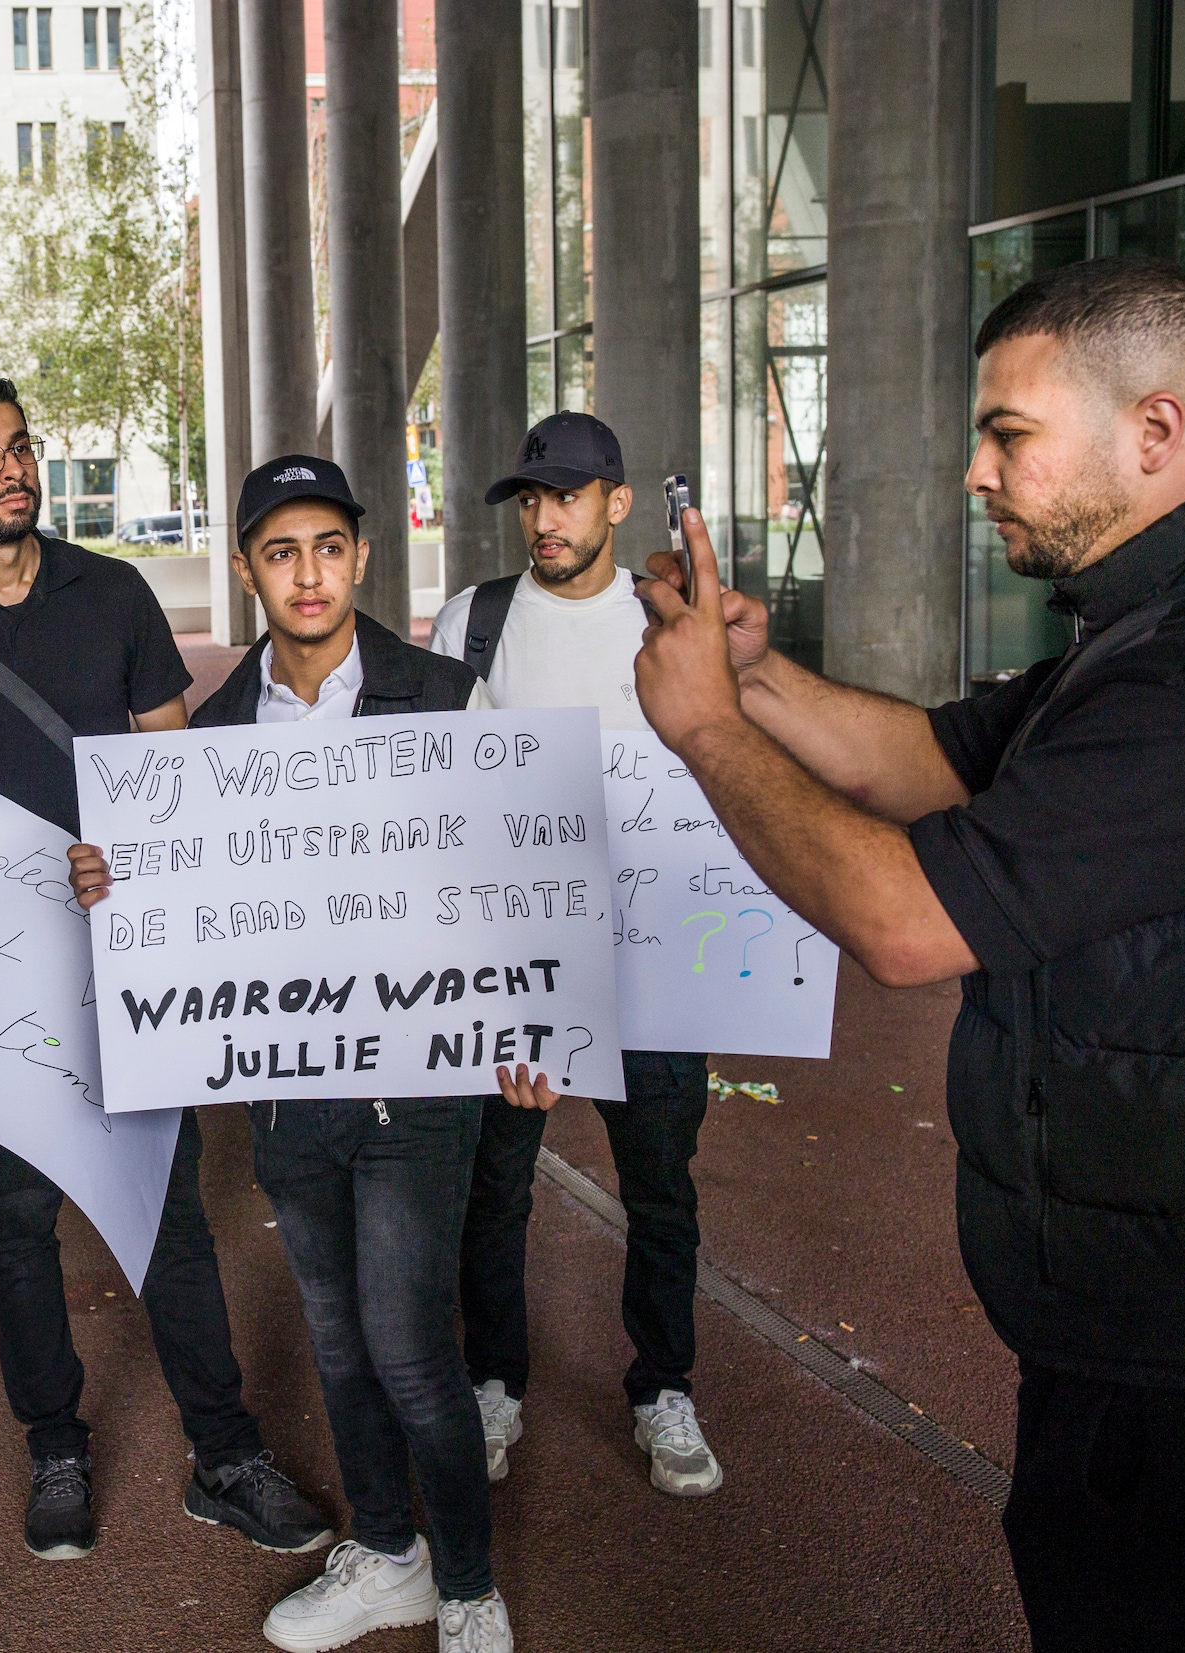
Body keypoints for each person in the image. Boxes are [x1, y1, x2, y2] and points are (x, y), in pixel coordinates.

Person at [630, 256, 1185, 1651]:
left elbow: (904, 921)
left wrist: (707, 733)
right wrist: (753, 672)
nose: (974, 474)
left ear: (1156, 431)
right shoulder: (1167, 619)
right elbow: (938, 760)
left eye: (1009, 434)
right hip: (1141, 1317)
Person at [0, 373, 331, 1564]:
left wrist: (146, 857)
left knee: (167, 1210)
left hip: (123, 949)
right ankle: (54, 1444)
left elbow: (172, 763)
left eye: (17, 449)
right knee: (15, 1217)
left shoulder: (112, 593)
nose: (8, 471)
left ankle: (226, 1453)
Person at [70, 454, 511, 1653]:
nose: (306, 573)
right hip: (283, 1093)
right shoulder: (210, 733)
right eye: (279, 551)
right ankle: (386, 1555)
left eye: (327, 546)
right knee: (335, 1341)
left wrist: (530, 1019)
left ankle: (467, 1585)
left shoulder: (442, 691)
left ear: (362, 557)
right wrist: (114, 876)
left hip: (419, 1083)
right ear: (247, 570)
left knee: (413, 1352)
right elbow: (176, 905)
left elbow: (514, 881)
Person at [428, 412, 723, 1498]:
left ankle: (661, 1391)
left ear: (615, 503)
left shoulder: (667, 623)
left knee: (660, 1187)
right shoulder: (473, 620)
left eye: (564, 498)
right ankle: (492, 1384)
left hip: (649, 966)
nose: (542, 520)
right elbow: (439, 789)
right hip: (514, 963)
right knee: (491, 1187)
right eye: (529, 501)